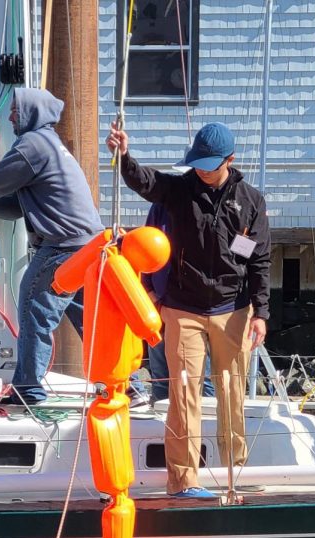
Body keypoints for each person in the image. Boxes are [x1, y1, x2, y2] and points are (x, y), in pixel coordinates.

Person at [106, 121, 271, 498]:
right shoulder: (179, 190)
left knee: (232, 392)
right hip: (183, 308)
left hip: (234, 308)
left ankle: (234, 471)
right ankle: (183, 480)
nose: (200, 169)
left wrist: (261, 313)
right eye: (196, 162)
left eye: (208, 164)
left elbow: (260, 260)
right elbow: (145, 181)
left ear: (229, 160)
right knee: (183, 394)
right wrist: (124, 155)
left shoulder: (251, 201)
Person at [0, 88, 105, 406]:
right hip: (88, 246)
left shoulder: (33, 145)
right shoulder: (51, 146)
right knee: (91, 320)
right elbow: (14, 206)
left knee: (34, 309)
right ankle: (120, 383)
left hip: (62, 246)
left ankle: (28, 389)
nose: (10, 115)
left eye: (16, 109)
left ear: (32, 112)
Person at [141, 201, 214, 405]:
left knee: (200, 376)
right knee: (161, 376)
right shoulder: (160, 207)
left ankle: (206, 426)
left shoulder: (205, 208)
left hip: (192, 308)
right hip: (160, 305)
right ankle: (162, 428)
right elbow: (146, 248)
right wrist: (150, 292)